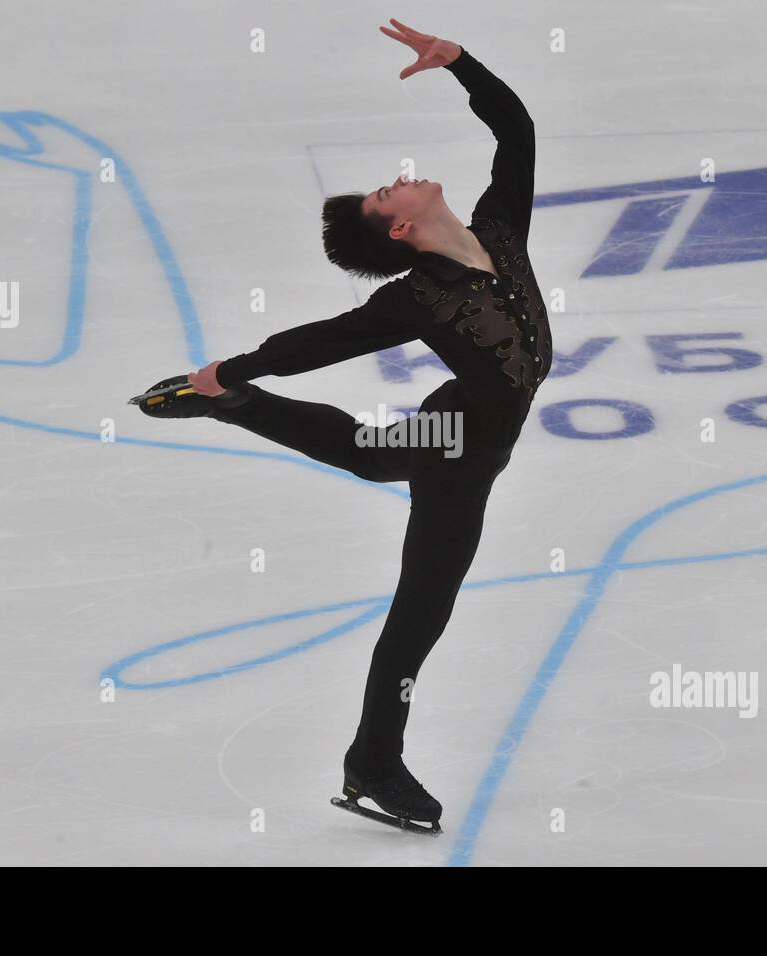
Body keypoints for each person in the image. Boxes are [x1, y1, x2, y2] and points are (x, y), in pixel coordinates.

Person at [137, 19, 551, 833]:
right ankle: (375, 761)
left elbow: (516, 128)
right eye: (382, 195)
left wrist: (461, 62)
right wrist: (235, 368)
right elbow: (323, 342)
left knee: (371, 459)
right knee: (420, 603)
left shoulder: (500, 226)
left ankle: (235, 408)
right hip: (461, 445)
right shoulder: (417, 296)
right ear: (399, 230)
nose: (396, 182)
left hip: (469, 433)